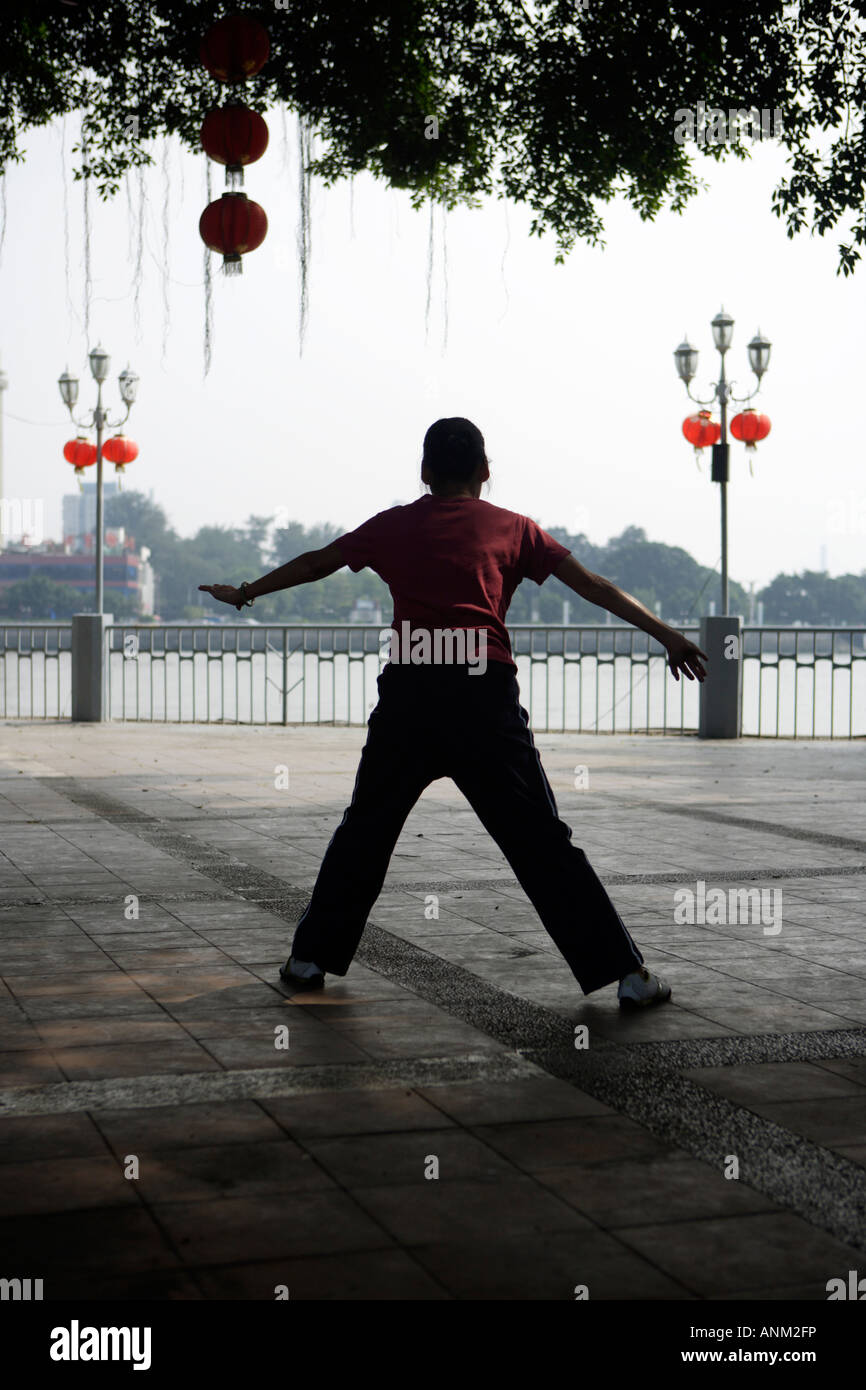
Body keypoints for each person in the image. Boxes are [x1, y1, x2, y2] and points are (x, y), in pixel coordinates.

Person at [200, 417, 707, 1009]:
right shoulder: (516, 529)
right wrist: (667, 634)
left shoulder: (393, 526)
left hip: (410, 698)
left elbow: (317, 562)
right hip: (482, 701)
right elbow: (593, 586)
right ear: (485, 472)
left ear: (424, 471)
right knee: (542, 841)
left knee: (366, 830)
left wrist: (246, 591)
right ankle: (626, 974)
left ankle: (309, 958)